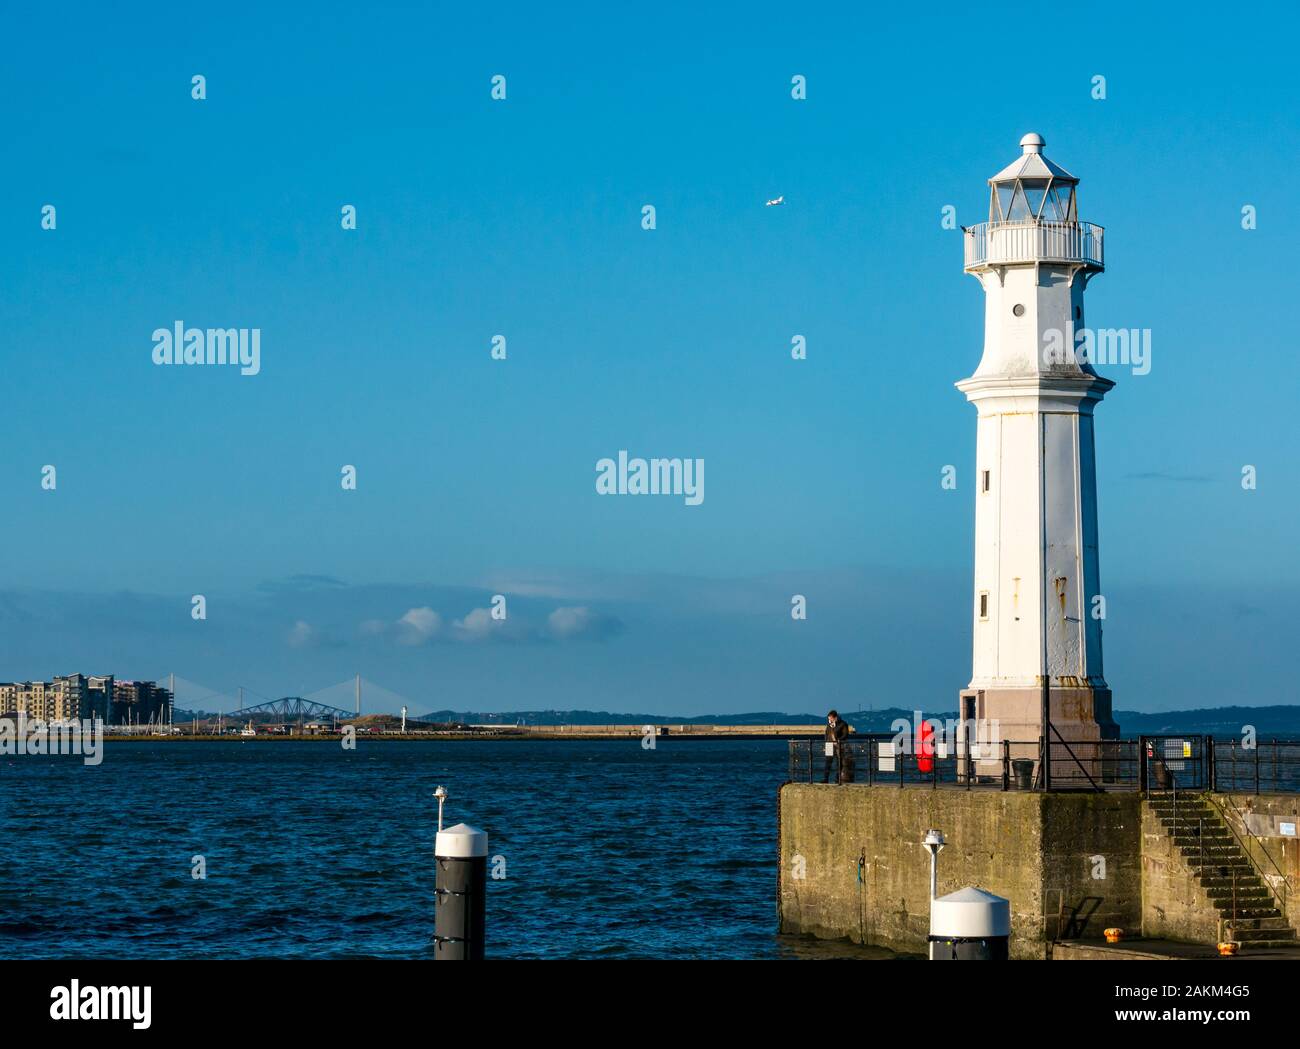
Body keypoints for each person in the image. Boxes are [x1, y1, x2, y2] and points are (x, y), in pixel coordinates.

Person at [822, 709, 850, 783]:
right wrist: (825, 745)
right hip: (829, 746)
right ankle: (825, 779)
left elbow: (845, 735)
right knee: (827, 763)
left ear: (835, 717)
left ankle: (837, 779)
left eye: (830, 718)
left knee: (838, 763)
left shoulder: (843, 724)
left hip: (839, 746)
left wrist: (838, 740)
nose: (829, 720)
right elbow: (826, 735)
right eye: (828, 718)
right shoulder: (829, 725)